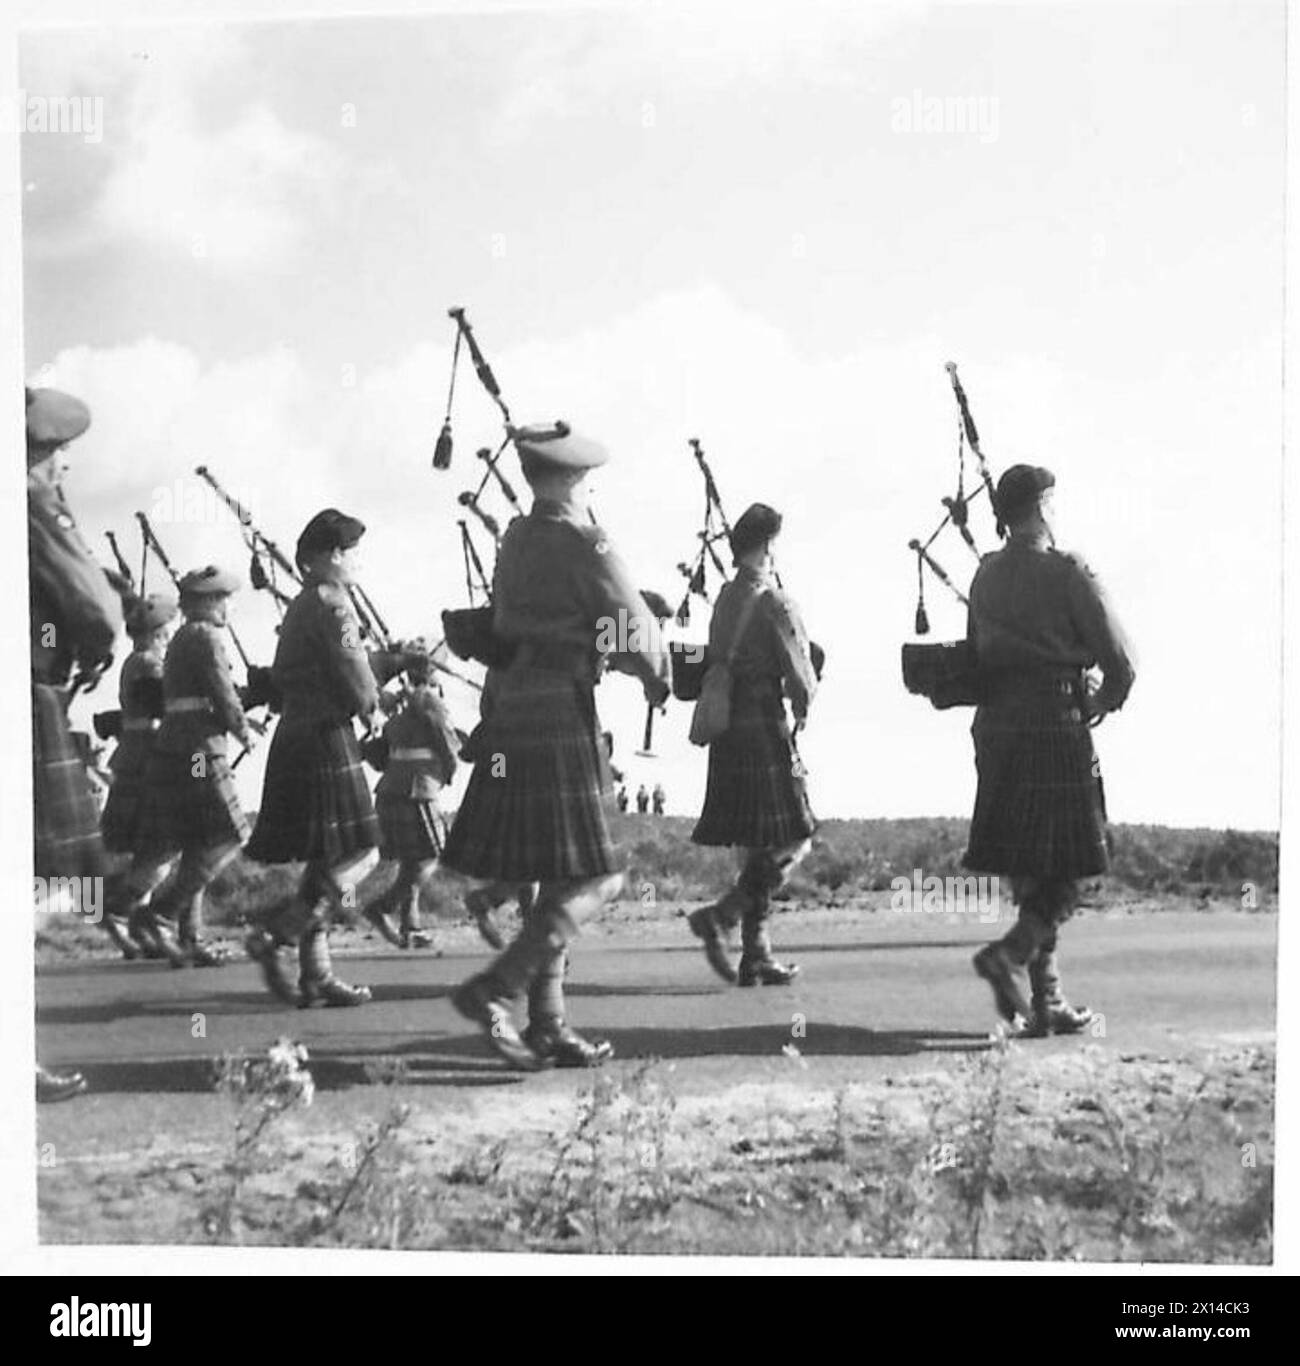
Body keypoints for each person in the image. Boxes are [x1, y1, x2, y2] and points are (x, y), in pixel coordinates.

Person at [442, 420, 670, 1069]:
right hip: (560, 711)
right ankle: (497, 989)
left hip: (514, 703)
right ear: (573, 479)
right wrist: (660, 673)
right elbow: (632, 629)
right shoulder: (587, 542)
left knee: (551, 871)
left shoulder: (515, 539)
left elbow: (556, 621)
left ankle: (549, 1021)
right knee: (599, 875)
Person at [965, 465, 1135, 1036]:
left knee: (1033, 872)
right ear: (1041, 507)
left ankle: (1048, 1002)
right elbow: (1121, 658)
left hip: (997, 728)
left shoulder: (985, 575)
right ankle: (1008, 956)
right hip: (1055, 724)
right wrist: (1105, 699)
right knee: (1068, 868)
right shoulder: (1068, 571)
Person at [28, 385, 124, 1103]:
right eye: (61, 455)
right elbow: (91, 607)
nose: (64, 468)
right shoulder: (33, 499)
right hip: (27, 694)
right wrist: (97, 640)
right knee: (39, 885)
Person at [244, 509, 382, 1007]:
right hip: (327, 734)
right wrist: (374, 708)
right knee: (363, 852)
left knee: (324, 859)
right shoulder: (335, 606)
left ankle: (316, 974)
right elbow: (353, 667)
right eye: (349, 553)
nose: (355, 563)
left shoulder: (304, 605)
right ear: (328, 557)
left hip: (297, 733)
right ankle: (277, 934)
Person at [688, 503, 817, 987]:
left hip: (728, 730)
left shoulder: (724, 598)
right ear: (766, 547)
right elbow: (800, 672)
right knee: (794, 835)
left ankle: (755, 954)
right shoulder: (774, 602)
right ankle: (722, 917)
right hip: (764, 724)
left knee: (752, 846)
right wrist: (804, 705)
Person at [131, 567, 255, 967]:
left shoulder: (183, 637)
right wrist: (242, 730)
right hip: (200, 749)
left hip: (178, 744)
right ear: (207, 603)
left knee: (198, 840)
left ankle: (191, 936)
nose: (228, 608)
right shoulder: (206, 636)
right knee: (226, 836)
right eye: (223, 600)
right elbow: (220, 689)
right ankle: (162, 915)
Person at [98, 593, 181, 959]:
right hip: (149, 756)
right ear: (162, 630)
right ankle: (119, 910)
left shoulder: (135, 660)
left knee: (150, 848)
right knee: (164, 845)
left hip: (134, 754)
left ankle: (136, 925)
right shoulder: (149, 663)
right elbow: (166, 705)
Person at [363, 642, 460, 950]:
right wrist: (450, 772)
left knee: (410, 860)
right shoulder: (432, 703)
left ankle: (411, 926)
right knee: (429, 857)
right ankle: (382, 907)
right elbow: (448, 744)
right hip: (419, 788)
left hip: (391, 786)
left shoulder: (397, 705)